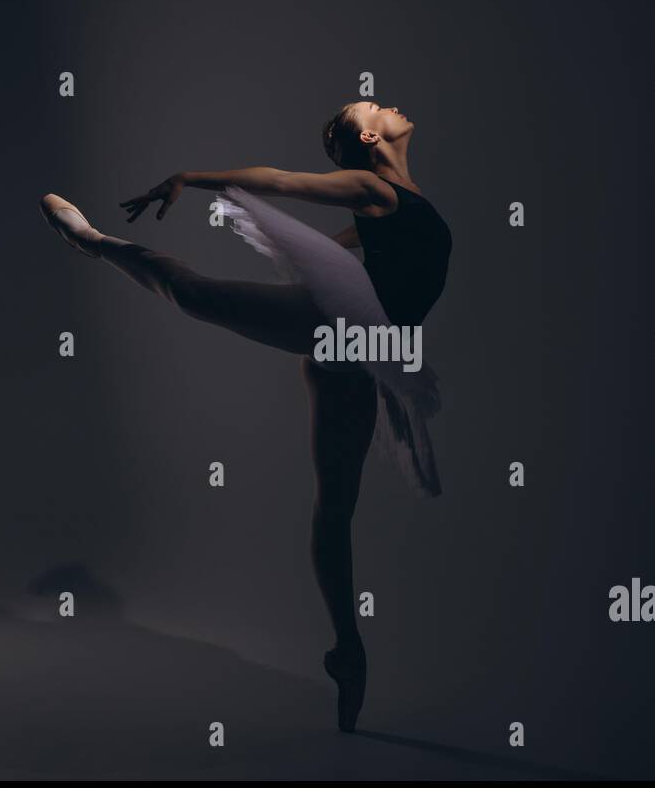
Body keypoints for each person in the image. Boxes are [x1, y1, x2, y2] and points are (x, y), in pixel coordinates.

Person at [39, 100, 451, 732]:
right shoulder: (373, 185)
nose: (386, 102)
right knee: (196, 293)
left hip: (365, 350)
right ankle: (92, 240)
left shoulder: (397, 199)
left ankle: (347, 648)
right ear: (370, 135)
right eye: (371, 105)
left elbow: (355, 251)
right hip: (341, 328)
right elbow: (281, 181)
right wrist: (191, 178)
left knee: (336, 507)